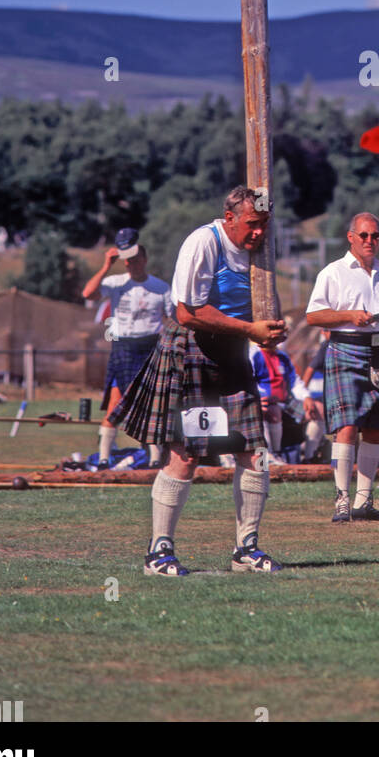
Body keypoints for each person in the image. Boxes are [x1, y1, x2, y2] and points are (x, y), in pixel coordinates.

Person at [111, 186, 288, 576]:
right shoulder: (203, 243)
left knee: (252, 450)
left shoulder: (261, 252)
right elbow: (187, 311)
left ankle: (246, 548)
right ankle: (158, 552)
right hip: (192, 350)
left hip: (233, 351)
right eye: (252, 225)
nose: (259, 233)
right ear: (230, 219)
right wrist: (249, 329)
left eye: (264, 225)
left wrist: (270, 328)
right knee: (186, 453)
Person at [305, 211, 379, 521]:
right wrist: (350, 315)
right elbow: (313, 316)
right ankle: (342, 501)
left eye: (375, 235)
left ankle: (364, 502)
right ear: (351, 237)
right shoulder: (333, 272)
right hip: (345, 349)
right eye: (364, 235)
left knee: (375, 428)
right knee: (346, 427)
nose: (370, 241)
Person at [82, 228, 173, 467]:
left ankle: (154, 458)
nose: (130, 264)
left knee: (151, 403)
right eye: (126, 261)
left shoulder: (161, 287)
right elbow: (88, 293)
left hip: (151, 347)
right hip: (123, 347)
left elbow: (174, 317)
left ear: (144, 259)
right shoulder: (114, 282)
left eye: (134, 259)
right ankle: (103, 457)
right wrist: (105, 266)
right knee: (115, 404)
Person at [248, 338, 320, 464]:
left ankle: (309, 457)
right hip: (262, 403)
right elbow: (249, 381)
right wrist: (261, 396)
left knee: (319, 409)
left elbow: (295, 382)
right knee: (272, 410)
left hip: (286, 402)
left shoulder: (282, 356)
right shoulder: (253, 354)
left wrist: (306, 397)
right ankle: (273, 455)